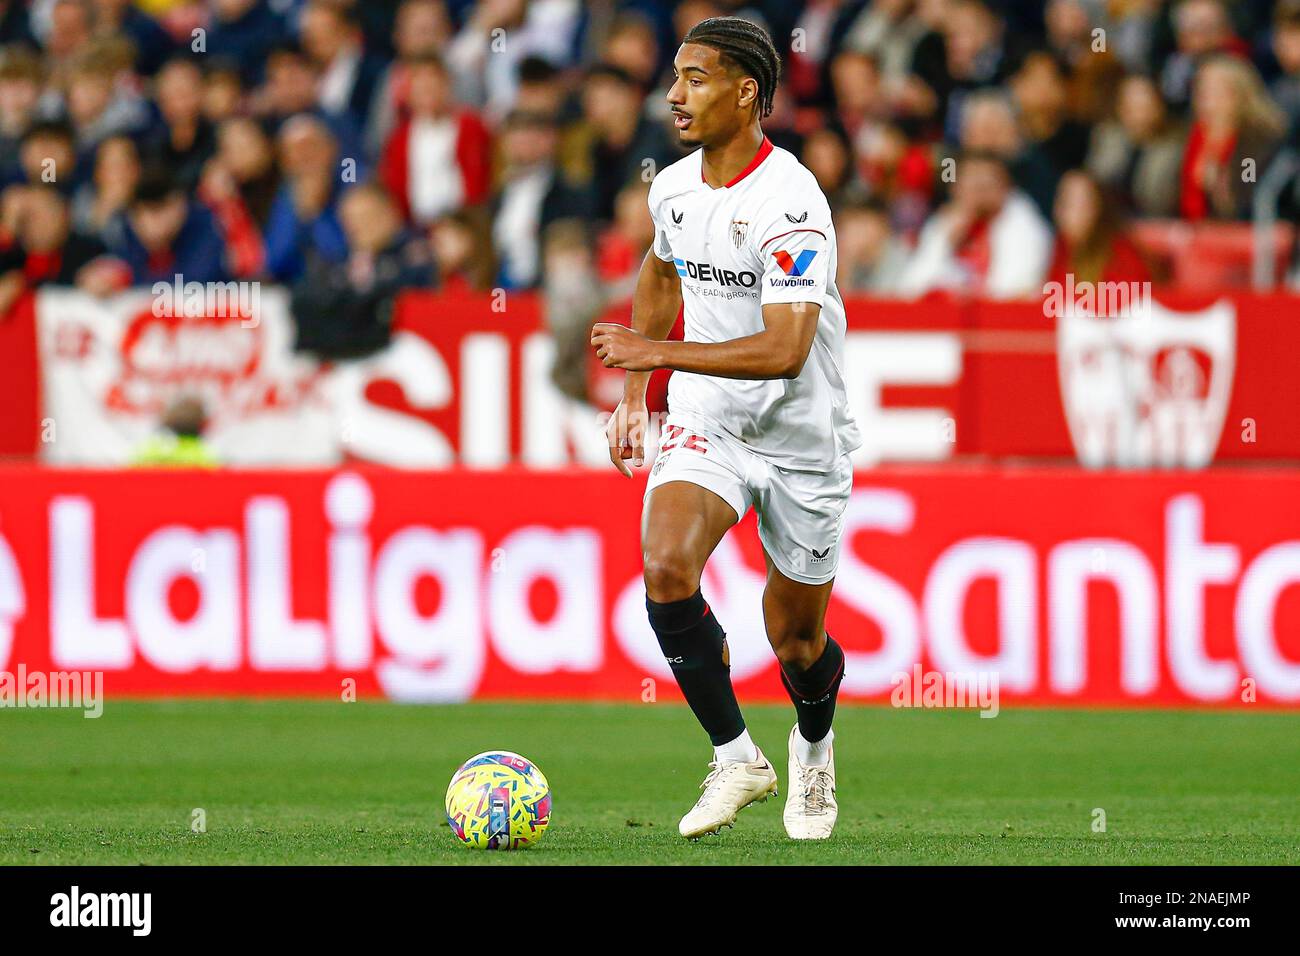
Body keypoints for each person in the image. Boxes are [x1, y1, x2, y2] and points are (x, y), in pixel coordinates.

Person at [589, 17, 860, 842]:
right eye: (674, 76)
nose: (674, 94)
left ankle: (813, 747)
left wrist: (657, 352)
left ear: (747, 92)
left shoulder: (792, 202)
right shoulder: (671, 188)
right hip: (711, 421)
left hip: (801, 440)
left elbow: (786, 350)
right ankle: (737, 756)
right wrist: (639, 392)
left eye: (696, 78)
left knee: (798, 642)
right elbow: (660, 271)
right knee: (666, 568)